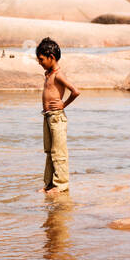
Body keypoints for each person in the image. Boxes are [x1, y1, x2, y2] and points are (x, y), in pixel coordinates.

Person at [36, 37, 79, 194]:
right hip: (47, 116)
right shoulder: (48, 74)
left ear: (51, 57)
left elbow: (76, 91)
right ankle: (49, 184)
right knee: (49, 151)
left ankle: (61, 184)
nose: (39, 62)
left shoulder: (58, 75)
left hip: (57, 117)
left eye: (41, 59)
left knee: (58, 152)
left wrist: (63, 104)